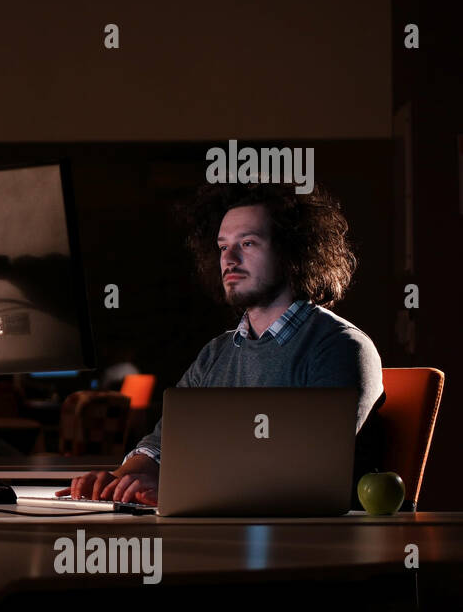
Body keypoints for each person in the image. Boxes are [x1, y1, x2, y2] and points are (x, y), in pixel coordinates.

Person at [58, 182, 386, 508]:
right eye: (222, 246)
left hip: (303, 545)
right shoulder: (216, 353)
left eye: (248, 242)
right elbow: (163, 442)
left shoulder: (341, 348)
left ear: (293, 251)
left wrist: (180, 489)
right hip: (222, 533)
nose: (229, 259)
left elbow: (304, 469)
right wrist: (121, 478)